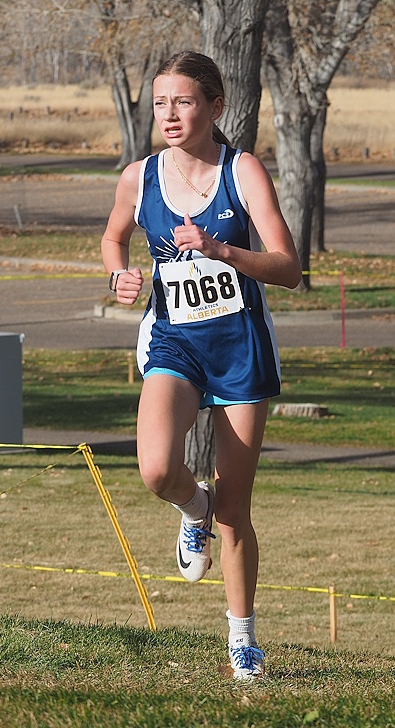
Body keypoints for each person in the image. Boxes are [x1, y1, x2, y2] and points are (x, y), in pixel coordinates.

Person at [100, 50, 301, 681]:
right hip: (175, 343)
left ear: (215, 106)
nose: (170, 114)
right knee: (158, 470)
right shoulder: (140, 176)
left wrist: (219, 249)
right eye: (161, 102)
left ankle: (243, 639)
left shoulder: (243, 172)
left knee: (236, 506)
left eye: (184, 101)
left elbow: (289, 267)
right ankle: (193, 508)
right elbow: (114, 237)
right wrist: (119, 276)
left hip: (239, 346)